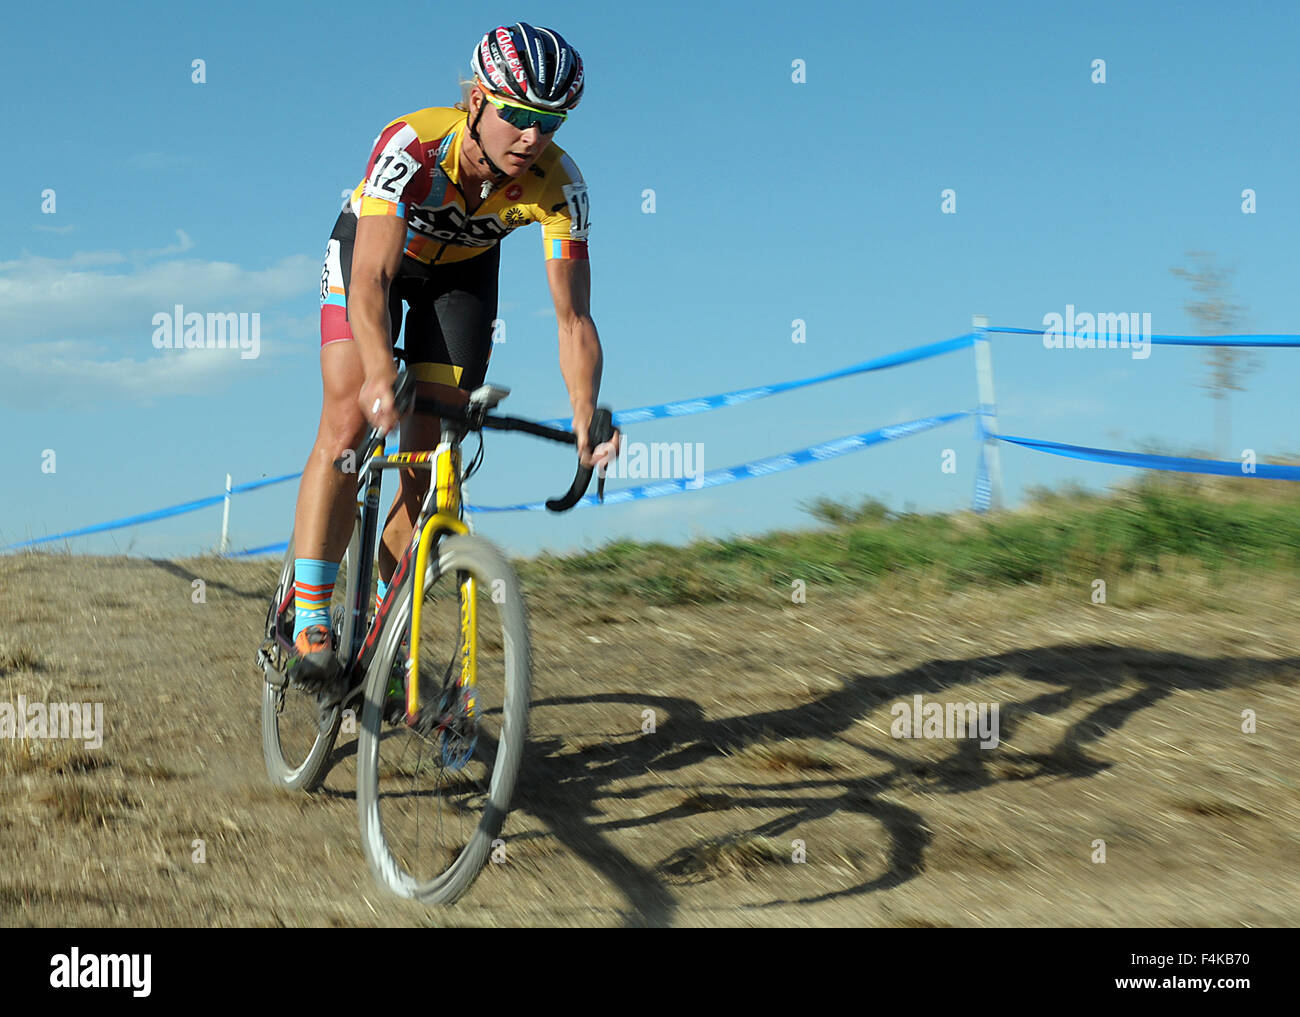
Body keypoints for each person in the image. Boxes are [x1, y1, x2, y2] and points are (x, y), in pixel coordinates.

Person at [288, 22, 616, 690]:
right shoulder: (413, 144)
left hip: (461, 278)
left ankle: (385, 629)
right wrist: (381, 375)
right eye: (518, 115)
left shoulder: (560, 185)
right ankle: (311, 615)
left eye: (549, 122)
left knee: (430, 446)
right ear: (475, 100)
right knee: (351, 416)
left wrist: (586, 411)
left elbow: (573, 317)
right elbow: (373, 282)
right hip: (375, 257)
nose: (532, 137)